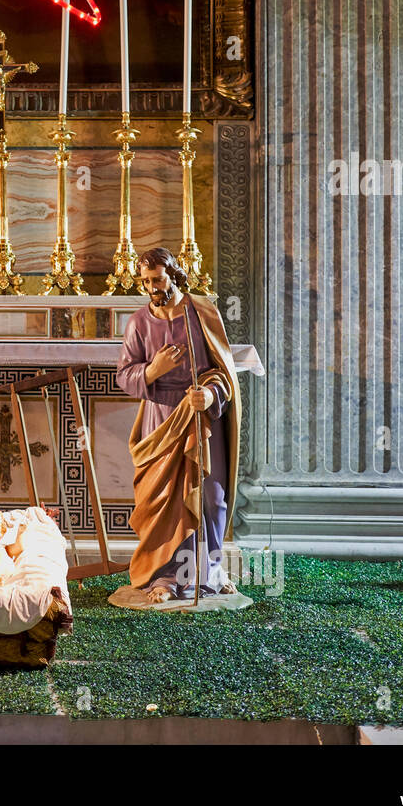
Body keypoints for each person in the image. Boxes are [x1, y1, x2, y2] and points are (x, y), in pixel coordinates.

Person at [114, 247, 241, 604]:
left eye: (157, 279)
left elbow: (224, 371)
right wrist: (153, 370)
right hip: (160, 420)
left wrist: (212, 394)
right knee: (164, 503)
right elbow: (125, 375)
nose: (151, 288)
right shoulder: (138, 322)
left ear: (173, 275)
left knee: (210, 499)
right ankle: (166, 577)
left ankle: (208, 572)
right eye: (145, 282)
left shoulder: (202, 313)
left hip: (199, 418)